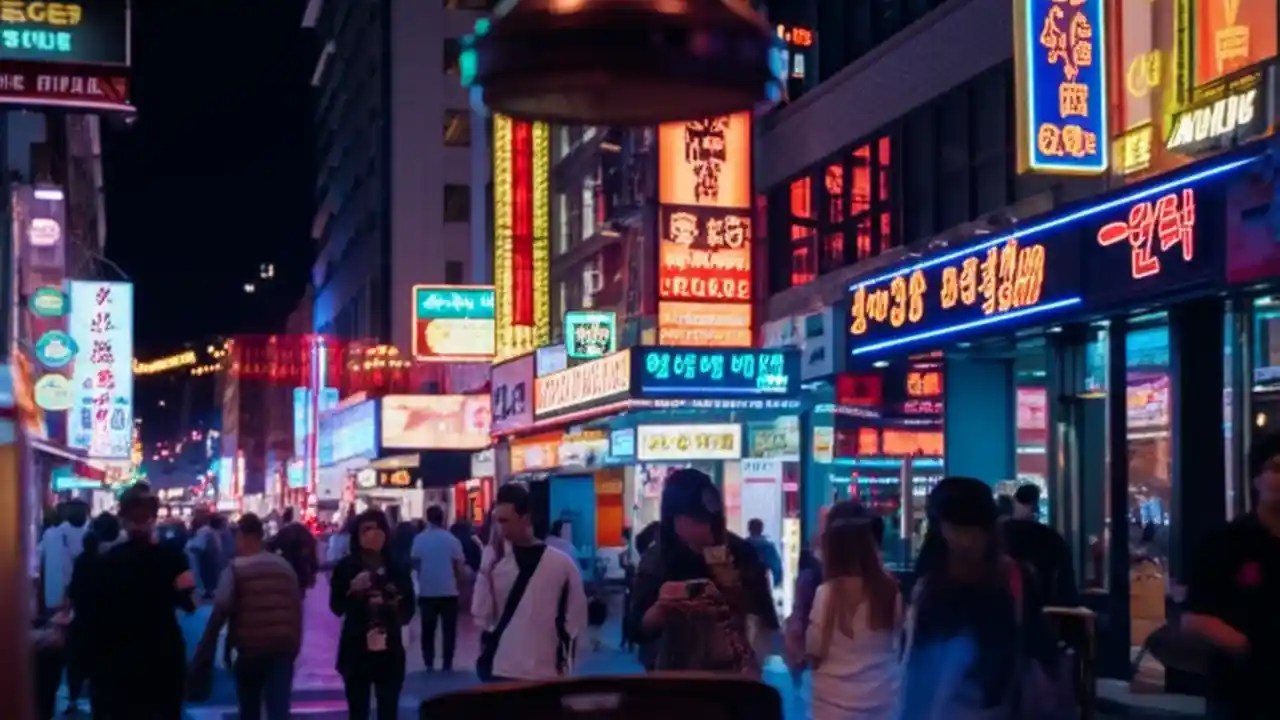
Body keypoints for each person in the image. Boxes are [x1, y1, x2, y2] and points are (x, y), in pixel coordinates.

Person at [898, 477, 1053, 719]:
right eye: (958, 529)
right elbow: (1040, 650)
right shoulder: (1016, 577)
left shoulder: (930, 585)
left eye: (971, 529)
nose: (966, 540)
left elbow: (913, 669)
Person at [627, 469, 779, 675]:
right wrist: (662, 609)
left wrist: (733, 595)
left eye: (711, 520)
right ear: (675, 520)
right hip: (670, 682)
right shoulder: (657, 560)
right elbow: (635, 628)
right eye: (697, 520)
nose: (706, 528)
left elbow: (765, 616)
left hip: (733, 677)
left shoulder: (740, 552)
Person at [1183, 434, 1280, 719]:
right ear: (1256, 480)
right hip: (1241, 696)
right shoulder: (1226, 542)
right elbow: (1192, 618)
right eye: (1276, 468)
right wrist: (1250, 648)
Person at [85, 483, 196, 719]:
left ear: (123, 520)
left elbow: (91, 615)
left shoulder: (105, 562)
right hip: (162, 656)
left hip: (116, 660)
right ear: (153, 519)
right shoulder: (173, 559)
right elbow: (190, 603)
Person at [472, 483, 588, 682]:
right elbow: (575, 621)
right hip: (518, 668)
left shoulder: (560, 564)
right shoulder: (494, 560)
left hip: (527, 668)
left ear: (525, 519)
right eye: (496, 521)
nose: (500, 528)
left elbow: (482, 614)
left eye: (504, 521)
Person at [193, 514, 302, 720]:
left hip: (251, 649)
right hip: (283, 647)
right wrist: (294, 645)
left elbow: (221, 609)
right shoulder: (284, 567)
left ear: (242, 537)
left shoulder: (236, 568)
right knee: (278, 709)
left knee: (249, 707)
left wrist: (209, 648)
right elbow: (295, 607)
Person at [806, 501, 901, 720]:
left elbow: (814, 650)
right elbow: (898, 641)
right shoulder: (890, 590)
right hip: (883, 698)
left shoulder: (827, 593)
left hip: (834, 703)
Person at [785, 501, 886, 680]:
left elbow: (803, 647)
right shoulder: (889, 591)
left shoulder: (819, 586)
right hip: (881, 693)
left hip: (827, 692)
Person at [330, 510, 415, 720]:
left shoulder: (396, 567)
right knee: (358, 709)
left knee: (388, 708)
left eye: (377, 529)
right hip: (356, 646)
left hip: (389, 648)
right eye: (366, 530)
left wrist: (390, 601)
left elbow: (408, 608)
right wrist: (353, 590)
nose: (372, 535)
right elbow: (336, 606)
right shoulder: (346, 567)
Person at [65, 511, 120, 714]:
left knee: (77, 662)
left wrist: (67, 609)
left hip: (83, 619)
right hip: (109, 622)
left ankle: (73, 699)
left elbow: (74, 589)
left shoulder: (84, 559)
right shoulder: (116, 557)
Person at [410, 505, 467, 672]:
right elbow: (459, 567)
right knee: (449, 629)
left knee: (428, 629)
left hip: (427, 591)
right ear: (442, 518)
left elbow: (415, 563)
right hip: (449, 591)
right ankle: (447, 662)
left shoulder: (419, 539)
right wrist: (461, 588)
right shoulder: (452, 540)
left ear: (428, 518)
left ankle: (428, 661)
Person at [1001, 483, 1078, 606]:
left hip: (1001, 610)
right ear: (1035, 506)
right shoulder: (1051, 538)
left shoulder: (998, 535)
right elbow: (1066, 585)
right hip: (1045, 610)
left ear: (1014, 503)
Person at [38, 499, 89, 617]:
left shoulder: (51, 534)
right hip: (81, 593)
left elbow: (38, 557)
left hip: (54, 591)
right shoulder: (90, 535)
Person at [270, 507, 318, 594]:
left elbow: (272, 547)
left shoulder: (283, 532)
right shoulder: (303, 531)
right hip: (302, 572)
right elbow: (312, 551)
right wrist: (313, 570)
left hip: (287, 572)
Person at [746, 517, 784, 588]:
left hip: (745, 585)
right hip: (763, 584)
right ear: (761, 529)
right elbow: (777, 568)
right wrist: (776, 583)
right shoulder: (768, 547)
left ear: (749, 529)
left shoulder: (742, 545)